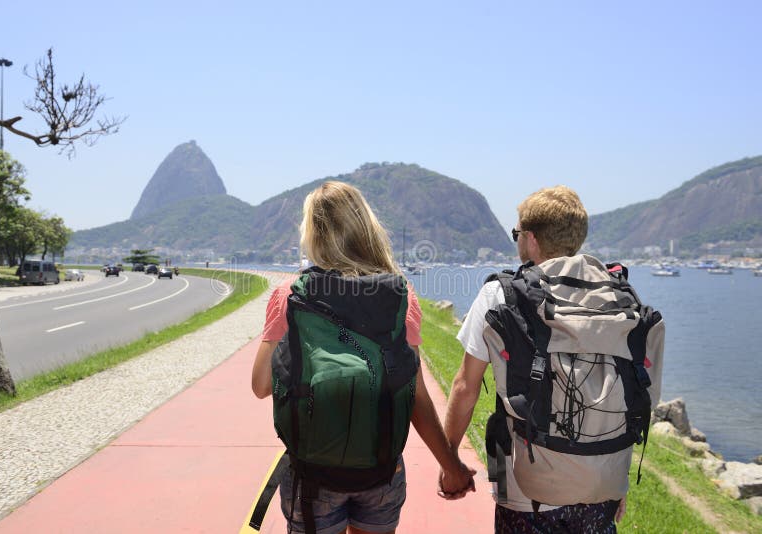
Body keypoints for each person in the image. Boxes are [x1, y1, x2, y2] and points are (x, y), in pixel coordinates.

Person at [252, 181, 475, 534]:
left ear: (313, 235)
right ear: (367, 229)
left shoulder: (289, 296)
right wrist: (451, 465)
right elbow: (414, 395)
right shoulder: (399, 296)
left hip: (312, 473)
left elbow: (262, 386)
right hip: (380, 471)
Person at [442, 185, 664, 533]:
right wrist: (615, 478)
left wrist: (449, 458)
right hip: (599, 490)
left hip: (525, 492)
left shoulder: (500, 294)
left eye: (517, 234)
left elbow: (465, 386)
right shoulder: (617, 298)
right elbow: (634, 399)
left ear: (530, 238)